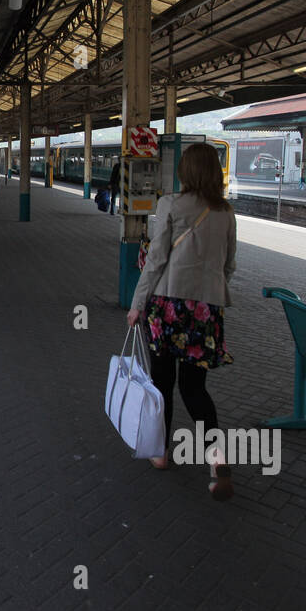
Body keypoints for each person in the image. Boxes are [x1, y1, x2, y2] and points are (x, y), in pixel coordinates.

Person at [126, 143, 238, 501]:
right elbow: (229, 266)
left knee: (162, 383)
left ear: (185, 172)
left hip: (168, 307)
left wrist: (137, 304)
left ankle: (160, 453)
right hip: (206, 311)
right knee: (195, 388)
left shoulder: (170, 204)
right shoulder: (226, 212)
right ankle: (217, 459)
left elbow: (156, 260)